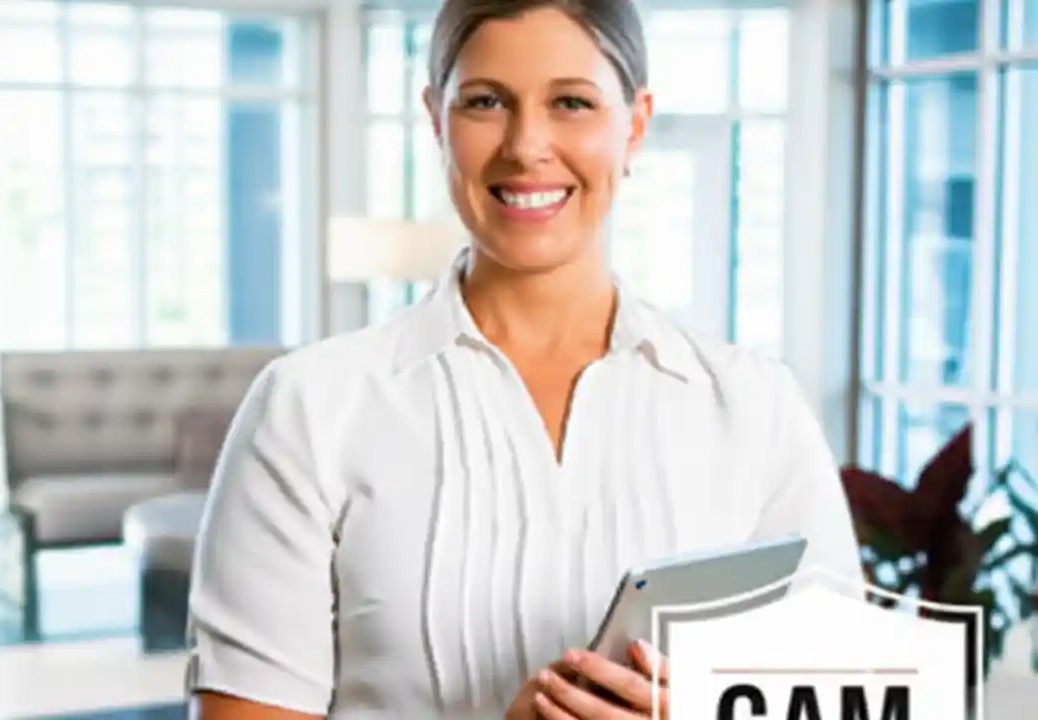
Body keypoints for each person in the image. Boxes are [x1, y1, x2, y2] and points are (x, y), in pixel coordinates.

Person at [184, 0, 864, 718]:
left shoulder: (756, 407)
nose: (527, 145)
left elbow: (845, 696)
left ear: (634, 125)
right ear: (436, 121)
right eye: (485, 103)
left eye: (571, 102)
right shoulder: (309, 408)